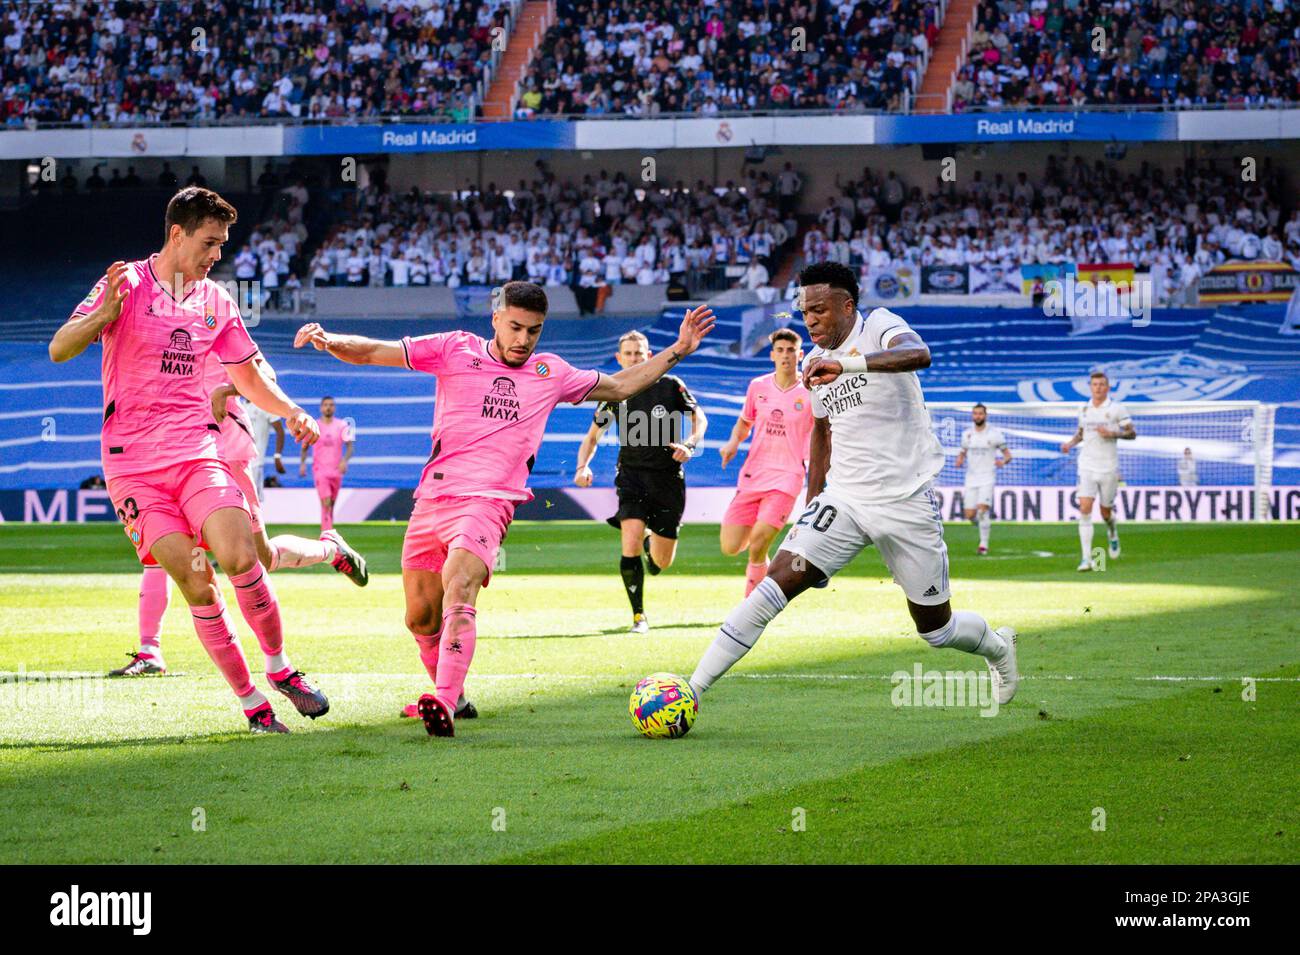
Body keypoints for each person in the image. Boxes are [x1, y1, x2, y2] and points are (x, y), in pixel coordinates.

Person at [294, 283, 715, 736]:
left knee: (459, 584)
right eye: (515, 327)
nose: (523, 340)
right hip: (432, 498)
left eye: (533, 331)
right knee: (419, 616)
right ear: (495, 319)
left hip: (490, 500)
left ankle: (444, 701)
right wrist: (330, 340)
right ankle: (454, 692)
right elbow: (375, 352)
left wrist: (679, 348)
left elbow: (620, 385)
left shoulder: (549, 371)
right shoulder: (454, 349)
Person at [49, 186, 328, 733]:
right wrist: (102, 314)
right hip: (132, 467)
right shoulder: (124, 285)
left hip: (195, 453)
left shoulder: (216, 300)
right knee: (199, 583)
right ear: (177, 233)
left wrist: (291, 410)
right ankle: (253, 705)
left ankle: (281, 669)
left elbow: (247, 374)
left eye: (222, 244)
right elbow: (61, 346)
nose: (216, 255)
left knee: (242, 556)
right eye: (210, 242)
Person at [687, 262, 1019, 708]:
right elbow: (822, 433)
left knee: (936, 630)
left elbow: (919, 354)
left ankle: (998, 647)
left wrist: (846, 364)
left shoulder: (880, 326)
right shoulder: (811, 363)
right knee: (775, 583)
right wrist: (811, 504)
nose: (811, 321)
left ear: (847, 306)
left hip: (906, 500)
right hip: (845, 499)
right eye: (805, 312)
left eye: (820, 310)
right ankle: (690, 691)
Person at [111, 354, 370, 678]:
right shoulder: (156, 329)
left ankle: (330, 549)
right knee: (158, 552)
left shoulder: (211, 316)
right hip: (171, 454)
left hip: (225, 452)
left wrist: (227, 389)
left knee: (262, 558)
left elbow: (265, 372)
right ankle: (150, 651)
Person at [573, 330, 708, 634]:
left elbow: (699, 417)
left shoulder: (671, 385)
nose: (635, 358)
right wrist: (583, 465)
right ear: (620, 358)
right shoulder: (614, 392)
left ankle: (653, 544)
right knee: (629, 539)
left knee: (661, 563)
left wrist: (690, 443)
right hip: (631, 477)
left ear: (649, 356)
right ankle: (638, 617)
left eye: (640, 353)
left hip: (668, 479)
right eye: (629, 354)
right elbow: (593, 437)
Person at [718, 329, 813, 596]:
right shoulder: (757, 387)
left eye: (791, 351)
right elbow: (745, 421)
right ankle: (761, 568)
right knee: (730, 546)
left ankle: (752, 601)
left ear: (800, 354)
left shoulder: (809, 392)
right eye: (780, 351)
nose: (785, 356)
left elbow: (823, 432)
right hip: (753, 474)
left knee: (758, 542)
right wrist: (733, 443)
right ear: (772, 355)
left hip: (788, 477)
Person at [1060, 371, 1135, 570]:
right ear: (1090, 387)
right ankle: (1087, 558)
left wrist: (1112, 433)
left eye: (1102, 384)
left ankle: (1112, 531)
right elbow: (1082, 433)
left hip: (1108, 467)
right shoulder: (1083, 408)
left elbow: (1132, 433)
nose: (1098, 388)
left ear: (1108, 387)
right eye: (1095, 384)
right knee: (1084, 509)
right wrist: (1070, 443)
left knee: (1105, 513)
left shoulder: (1117, 408)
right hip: (1086, 465)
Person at [954, 403, 1012, 555]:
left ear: (985, 415)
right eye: (975, 414)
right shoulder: (967, 434)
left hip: (987, 477)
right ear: (972, 416)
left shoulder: (994, 434)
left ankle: (983, 545)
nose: (977, 416)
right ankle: (981, 523)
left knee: (982, 510)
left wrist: (1003, 462)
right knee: (970, 515)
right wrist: (960, 459)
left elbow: (1008, 455)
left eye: (980, 413)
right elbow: (963, 451)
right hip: (971, 478)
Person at [301, 396, 353, 531]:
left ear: (334, 407)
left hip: (336, 471)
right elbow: (305, 446)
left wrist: (344, 461)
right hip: (320, 470)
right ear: (321, 408)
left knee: (331, 505)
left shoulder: (342, 425)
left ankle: (327, 531)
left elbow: (350, 447)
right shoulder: (314, 426)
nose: (328, 407)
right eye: (325, 405)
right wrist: (302, 464)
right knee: (326, 502)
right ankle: (327, 534)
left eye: (331, 405)